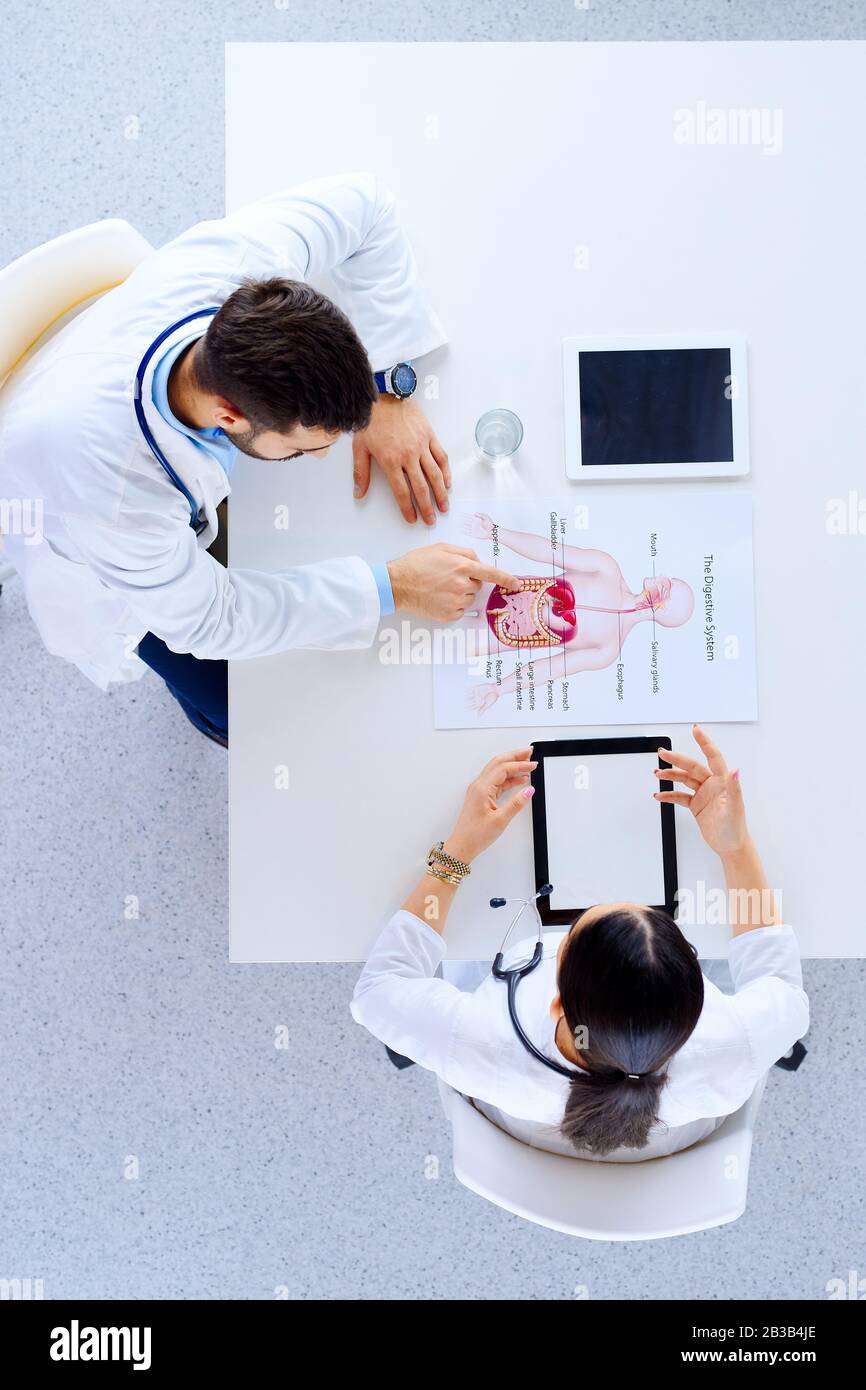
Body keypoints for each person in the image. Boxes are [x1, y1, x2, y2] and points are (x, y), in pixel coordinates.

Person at [0, 174, 514, 745]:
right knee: (240, 711)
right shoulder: (120, 501)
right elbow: (208, 620)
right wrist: (392, 586)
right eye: (306, 446)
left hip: (82, 361)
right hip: (64, 519)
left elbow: (368, 206)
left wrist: (386, 389)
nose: (324, 456)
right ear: (229, 416)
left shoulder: (239, 269)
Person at [351, 727, 809, 1161]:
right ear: (695, 1002)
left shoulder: (481, 1042)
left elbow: (379, 989)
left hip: (518, 1112)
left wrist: (458, 853)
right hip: (671, 1136)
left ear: (555, 1002)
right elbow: (779, 983)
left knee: (459, 963)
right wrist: (734, 846)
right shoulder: (736, 1047)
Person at [461, 513, 694, 715]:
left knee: (437, 634)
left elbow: (549, 669)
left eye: (668, 585)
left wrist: (499, 688)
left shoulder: (608, 649)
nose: (663, 576)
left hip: (493, 637)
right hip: (492, 589)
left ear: (663, 608)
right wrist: (494, 532)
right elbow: (548, 551)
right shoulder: (607, 568)